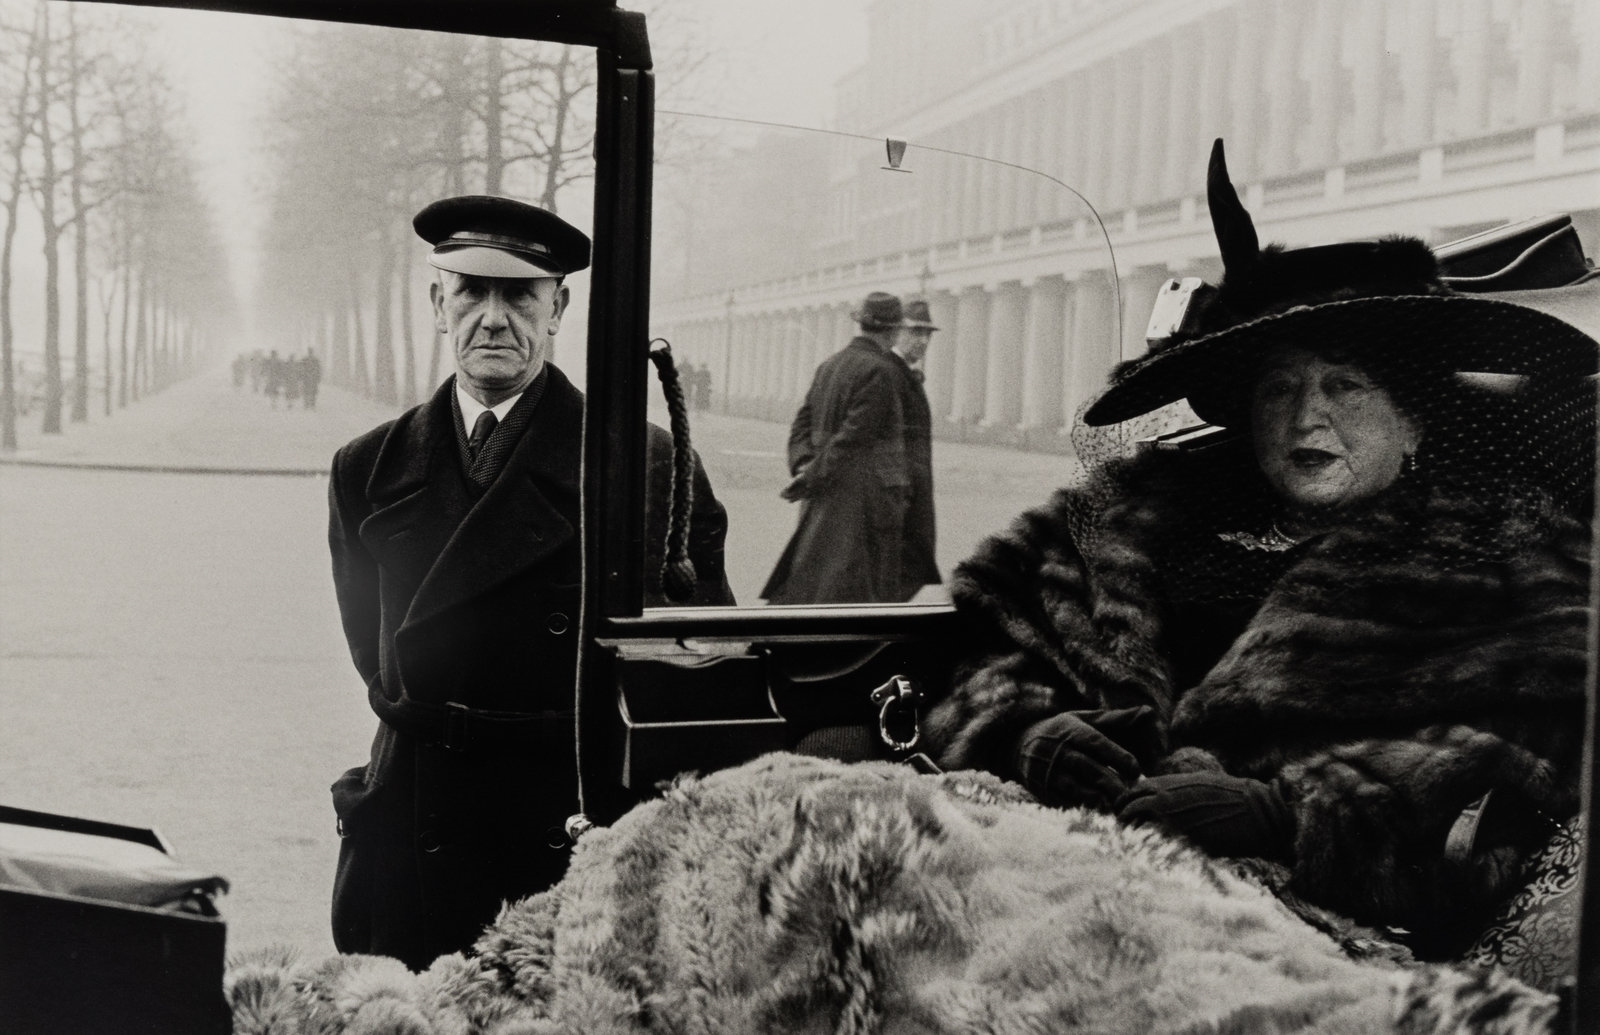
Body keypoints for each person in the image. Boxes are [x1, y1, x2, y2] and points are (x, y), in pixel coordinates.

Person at [924, 140, 1597, 960]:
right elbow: (985, 655)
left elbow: (1535, 765)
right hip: (1063, 873)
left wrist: (1287, 813)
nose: (1305, 418)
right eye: (1278, 388)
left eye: (1344, 386)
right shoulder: (1123, 523)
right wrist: (1029, 733)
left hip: (1309, 933)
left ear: (1415, 416)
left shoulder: (1508, 552)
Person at [326, 194, 734, 970]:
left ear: (559, 309)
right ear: (437, 302)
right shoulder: (366, 467)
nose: (493, 317)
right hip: (412, 826)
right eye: (471, 291)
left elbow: (699, 665)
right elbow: (373, 654)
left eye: (519, 295)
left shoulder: (639, 466)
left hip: (565, 835)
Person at [762, 291, 915, 604]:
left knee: (813, 577)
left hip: (820, 494)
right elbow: (854, 438)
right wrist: (812, 475)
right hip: (859, 498)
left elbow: (800, 425)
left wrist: (803, 465)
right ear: (893, 331)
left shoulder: (829, 366)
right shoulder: (882, 372)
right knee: (850, 590)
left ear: (860, 324)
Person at [892, 299, 941, 600]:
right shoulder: (890, 374)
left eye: (927, 334)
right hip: (901, 494)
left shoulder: (907, 374)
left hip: (914, 492)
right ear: (896, 331)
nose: (922, 341)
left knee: (911, 569)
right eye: (915, 332)